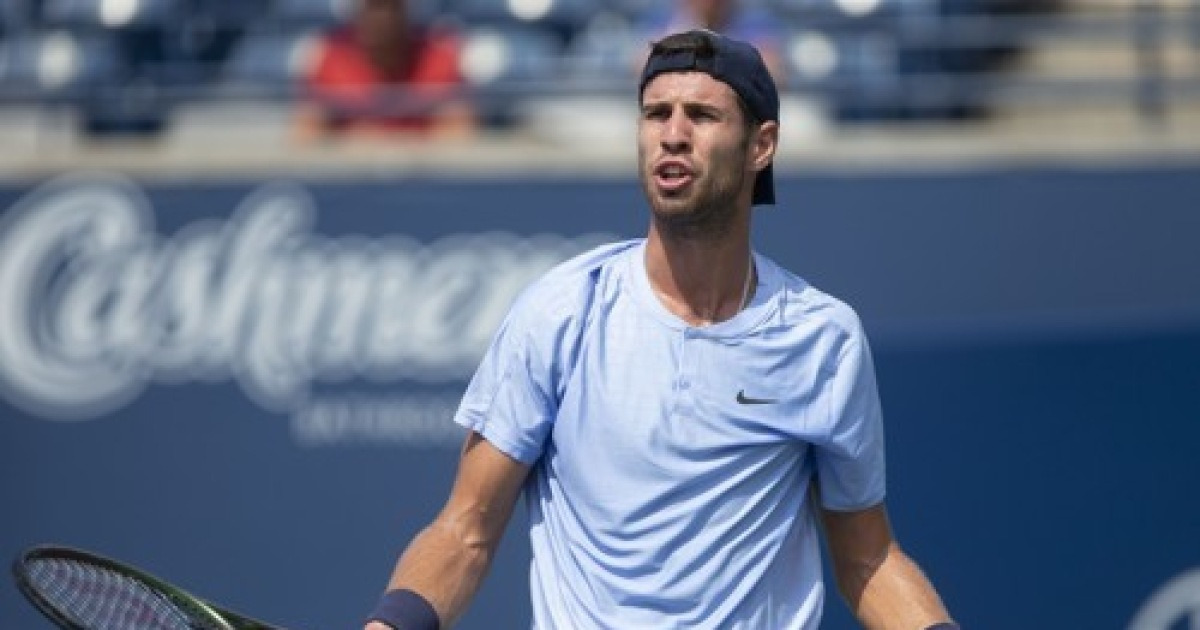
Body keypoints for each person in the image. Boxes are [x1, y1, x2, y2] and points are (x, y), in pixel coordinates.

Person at [364, 30, 958, 630]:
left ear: (762, 145)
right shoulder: (561, 311)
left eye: (701, 115)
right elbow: (464, 531)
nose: (672, 134)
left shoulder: (824, 339)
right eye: (655, 114)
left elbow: (869, 559)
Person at [294, 0, 474, 141]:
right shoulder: (333, 56)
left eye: (391, 7)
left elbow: (457, 135)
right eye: (373, 6)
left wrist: (389, 143)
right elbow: (306, 136)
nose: (382, 17)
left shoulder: (437, 55)